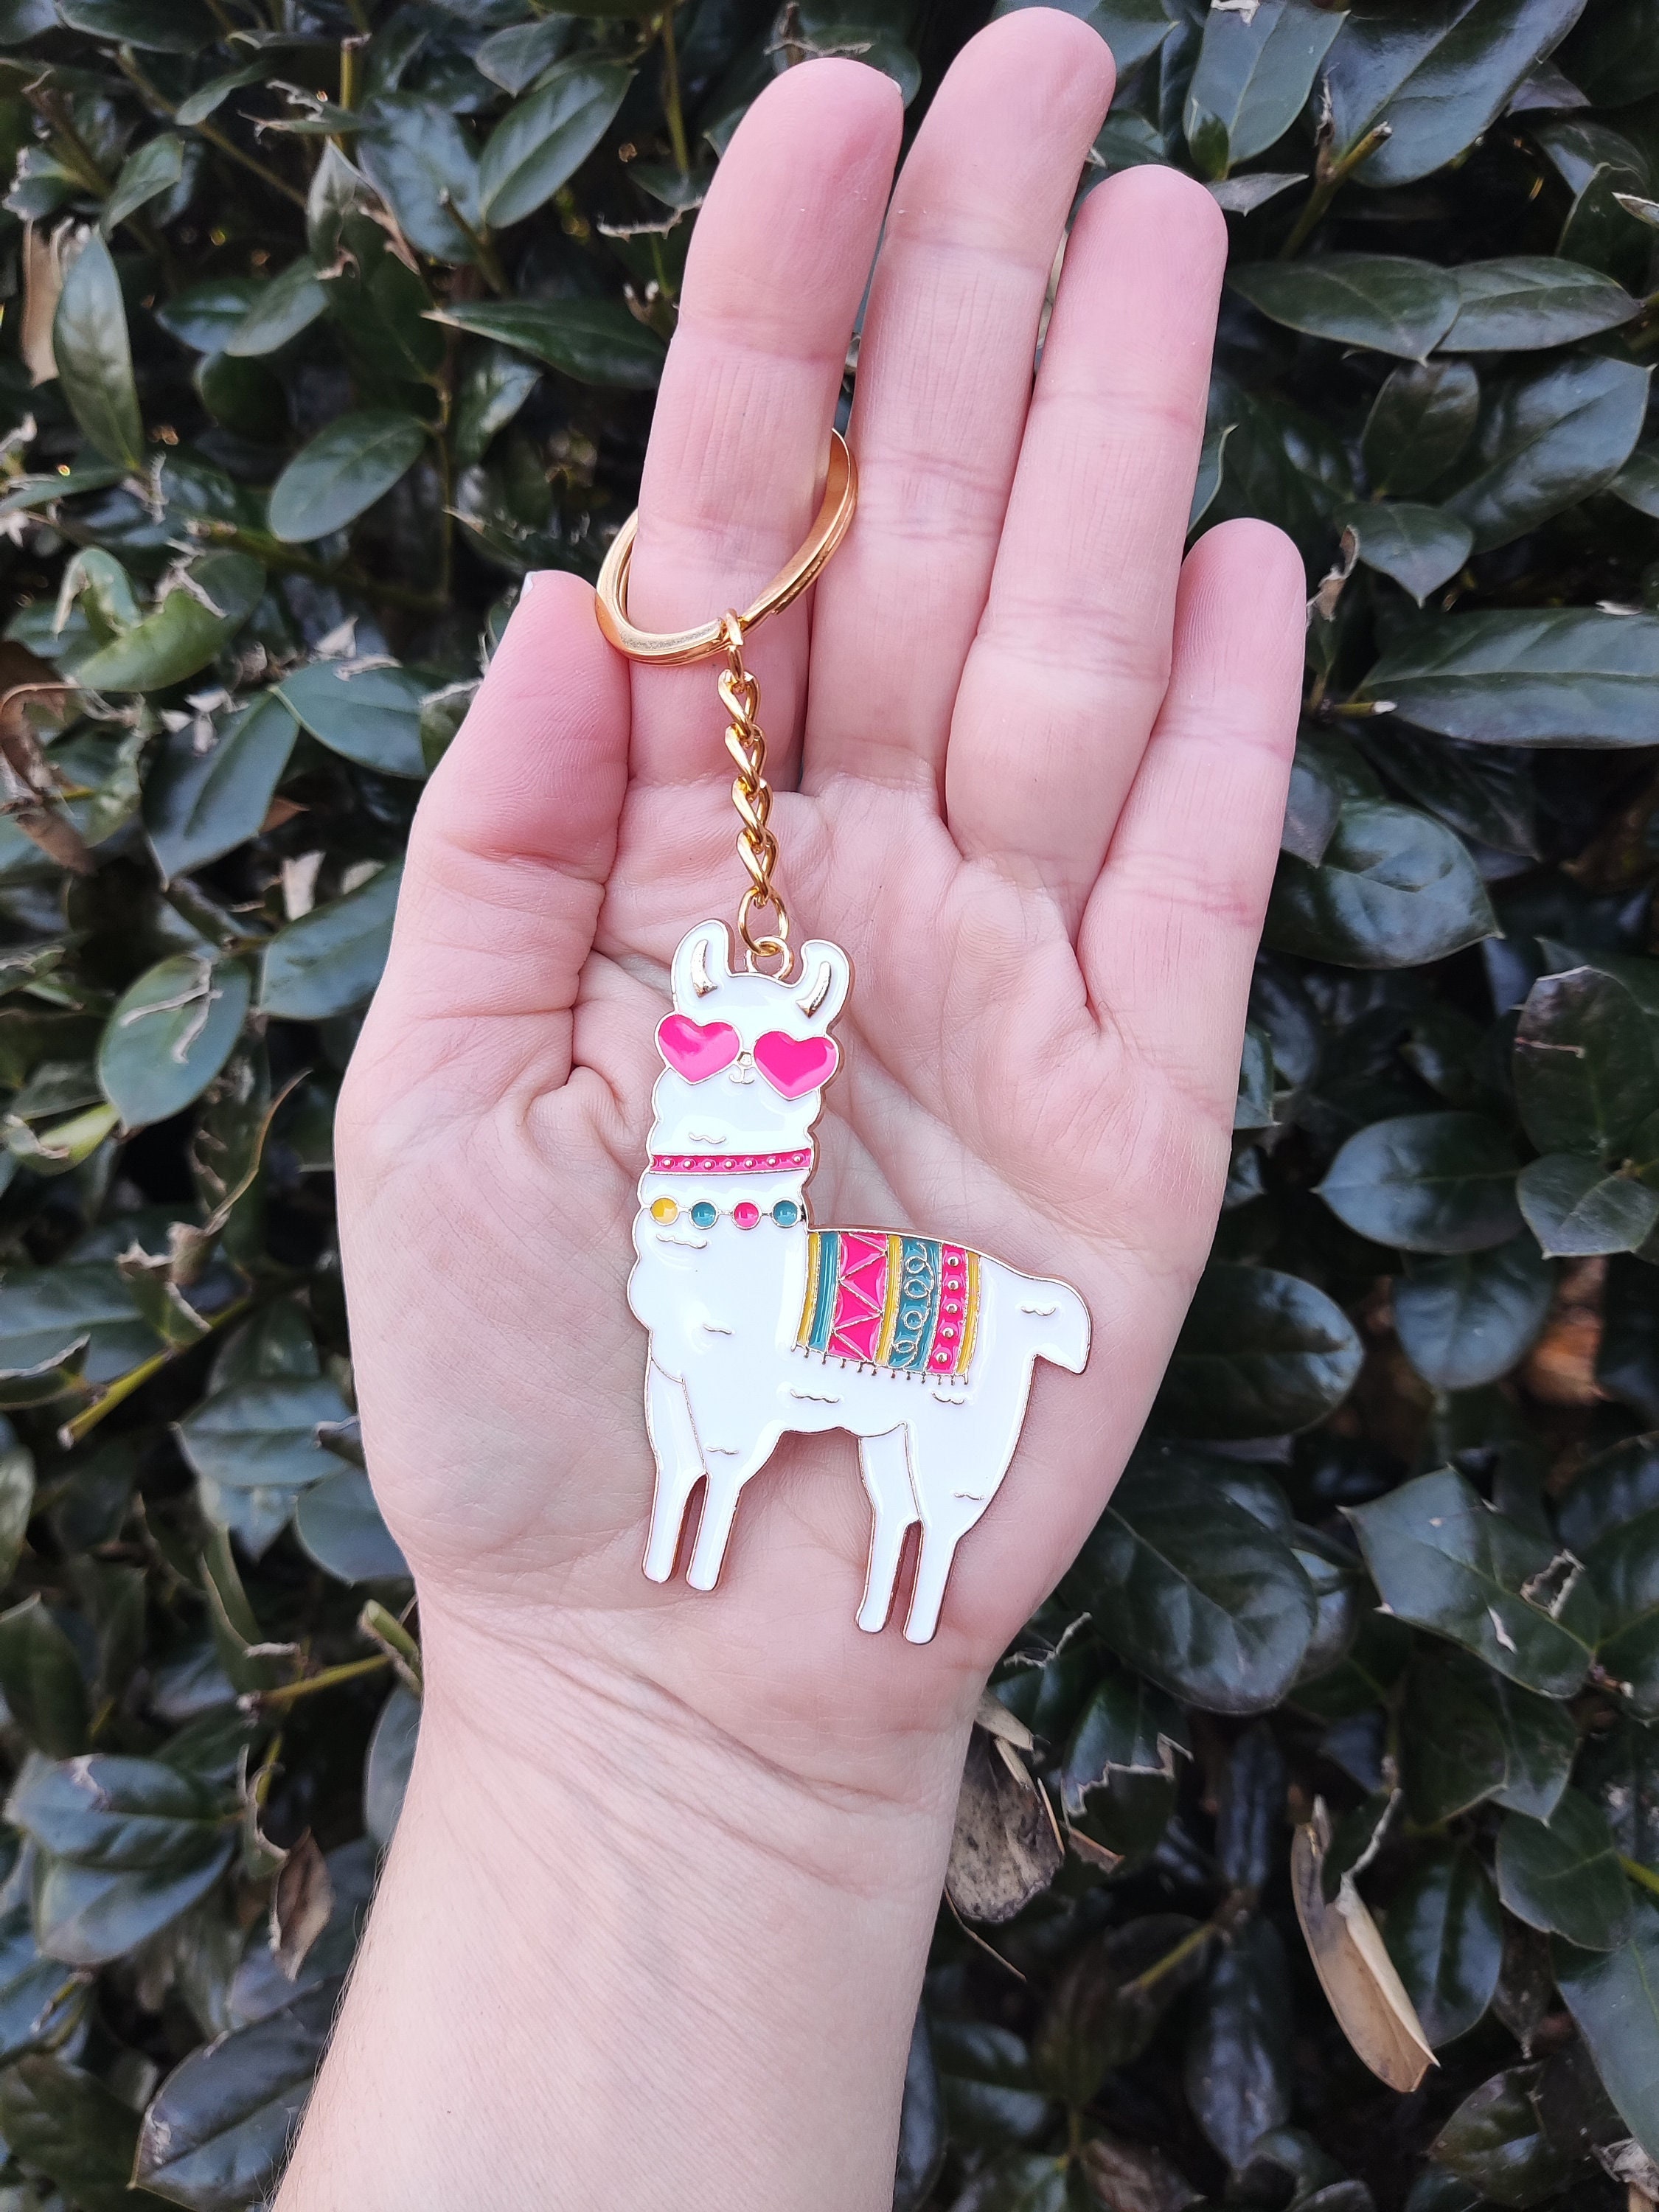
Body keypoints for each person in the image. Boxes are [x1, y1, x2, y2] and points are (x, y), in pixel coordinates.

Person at [276, 9, 1304, 2205]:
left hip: (826, 1273)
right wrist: (622, 1740)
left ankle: (890, 1531)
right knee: (712, 1367)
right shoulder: (711, 1112)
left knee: (871, 1433)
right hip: (725, 1266)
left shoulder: (774, 1056)